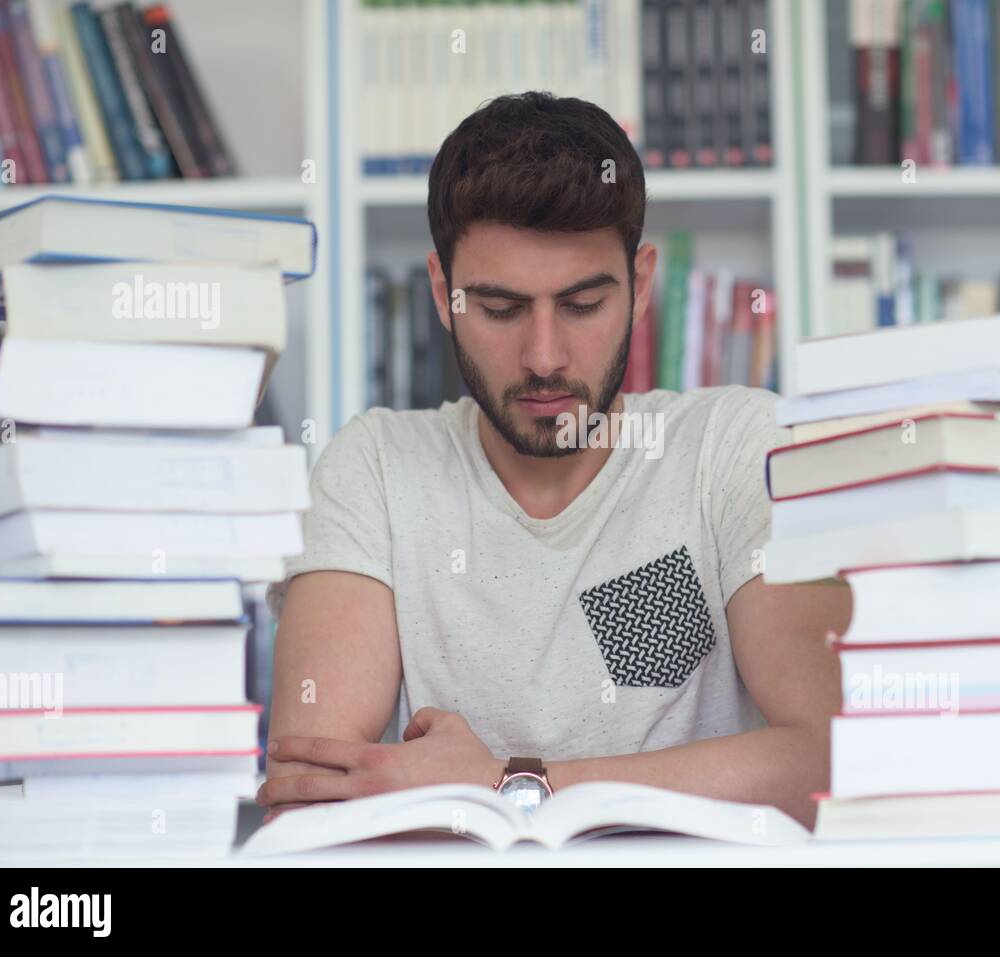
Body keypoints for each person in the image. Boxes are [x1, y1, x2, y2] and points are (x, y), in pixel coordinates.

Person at [259, 92, 849, 830]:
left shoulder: (732, 448)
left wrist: (509, 784)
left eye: (581, 305)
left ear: (640, 287)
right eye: (502, 309)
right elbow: (311, 789)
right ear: (445, 295)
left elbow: (833, 758)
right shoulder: (375, 468)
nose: (544, 358)